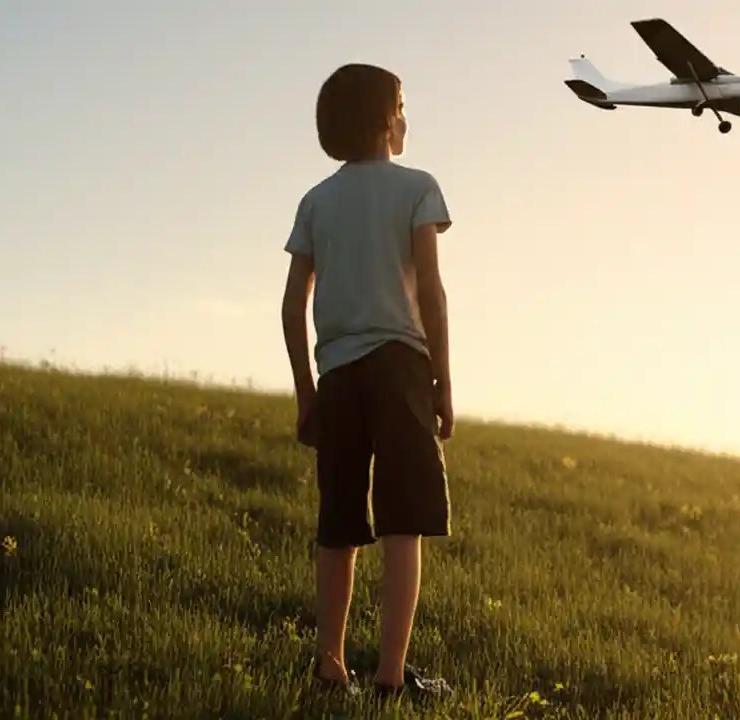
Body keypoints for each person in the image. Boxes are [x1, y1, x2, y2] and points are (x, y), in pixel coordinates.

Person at [279, 62, 456, 702]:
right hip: (402, 368)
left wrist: (307, 394)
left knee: (339, 526)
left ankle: (330, 672)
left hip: (340, 375)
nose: (407, 116)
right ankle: (388, 678)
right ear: (386, 120)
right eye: (403, 105)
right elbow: (431, 294)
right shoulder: (418, 187)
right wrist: (443, 383)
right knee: (402, 524)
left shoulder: (316, 200)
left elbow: (292, 303)